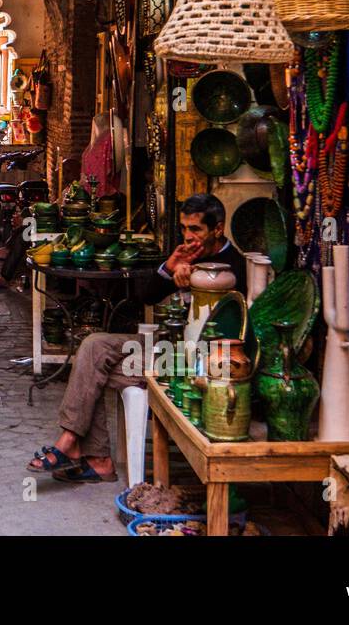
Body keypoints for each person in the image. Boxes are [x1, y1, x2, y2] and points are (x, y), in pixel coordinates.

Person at [22, 194, 249, 482]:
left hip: (196, 363)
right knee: (93, 346)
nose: (188, 237)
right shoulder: (184, 252)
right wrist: (170, 266)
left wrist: (197, 276)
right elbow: (146, 297)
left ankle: (87, 454)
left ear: (217, 229)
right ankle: (77, 444)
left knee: (93, 369)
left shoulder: (235, 266)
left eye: (196, 230)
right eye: (184, 229)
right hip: (166, 348)